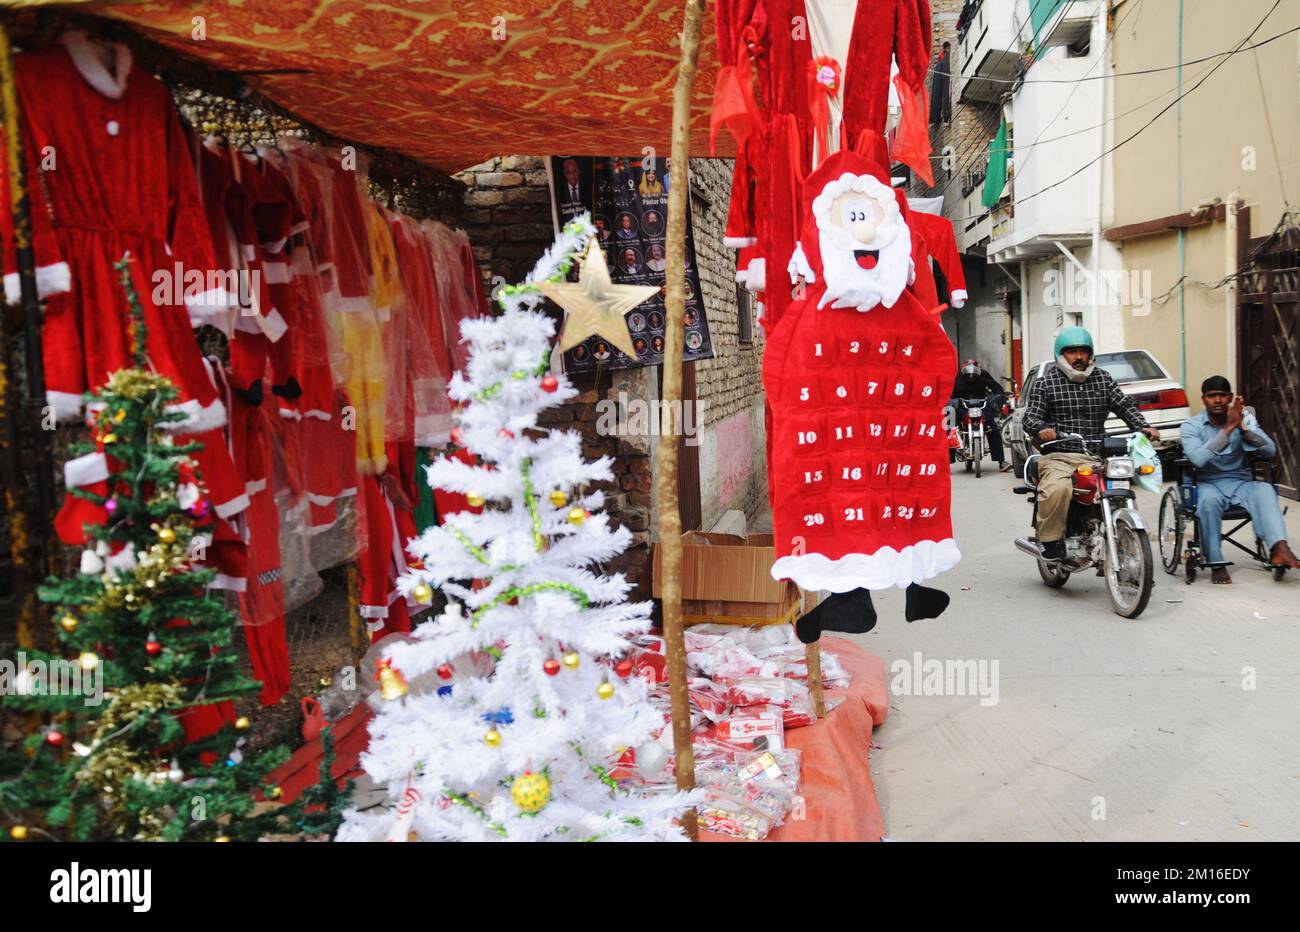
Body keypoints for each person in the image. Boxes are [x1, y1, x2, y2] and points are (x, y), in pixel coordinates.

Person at [1021, 327, 1159, 561]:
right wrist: (1041, 429)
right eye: (1072, 352)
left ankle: (1118, 534)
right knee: (1058, 489)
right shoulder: (1046, 383)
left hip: (1096, 454)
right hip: (1058, 456)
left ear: (1091, 354)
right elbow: (1030, 417)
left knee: (1119, 487)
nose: (1078, 357)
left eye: (1083, 351)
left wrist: (1142, 426)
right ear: (1060, 354)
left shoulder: (1103, 379)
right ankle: (1049, 541)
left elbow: (1124, 406)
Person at [1180, 376, 1300, 583]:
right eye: (1212, 396)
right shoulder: (1191, 426)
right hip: (1209, 482)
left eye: (1222, 395)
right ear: (1204, 399)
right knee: (1208, 503)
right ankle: (1216, 563)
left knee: (1265, 491)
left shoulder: (1244, 419)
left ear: (1230, 398)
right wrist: (1228, 429)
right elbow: (1198, 459)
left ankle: (1279, 547)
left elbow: (1270, 450)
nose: (1217, 400)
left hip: (1241, 482)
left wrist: (1243, 429)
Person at [947, 358, 1007, 469]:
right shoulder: (956, 377)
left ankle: (1001, 461)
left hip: (981, 405)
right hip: (961, 406)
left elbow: (997, 389)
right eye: (968, 374)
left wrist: (997, 398)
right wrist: (952, 401)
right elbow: (946, 391)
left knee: (992, 427)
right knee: (950, 428)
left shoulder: (984, 375)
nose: (971, 376)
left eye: (974, 373)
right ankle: (947, 460)